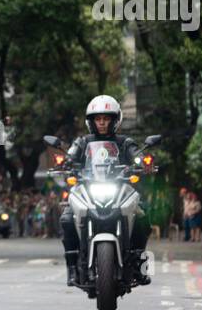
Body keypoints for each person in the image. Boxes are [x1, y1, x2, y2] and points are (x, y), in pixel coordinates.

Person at [58, 95, 151, 288]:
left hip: (120, 189)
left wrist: (142, 161)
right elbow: (71, 156)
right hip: (87, 188)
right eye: (98, 119)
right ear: (91, 121)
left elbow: (137, 155)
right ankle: (72, 268)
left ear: (115, 120)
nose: (101, 123)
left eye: (106, 118)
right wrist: (67, 162)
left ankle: (139, 265)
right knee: (67, 219)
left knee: (142, 218)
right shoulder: (82, 142)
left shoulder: (124, 142)